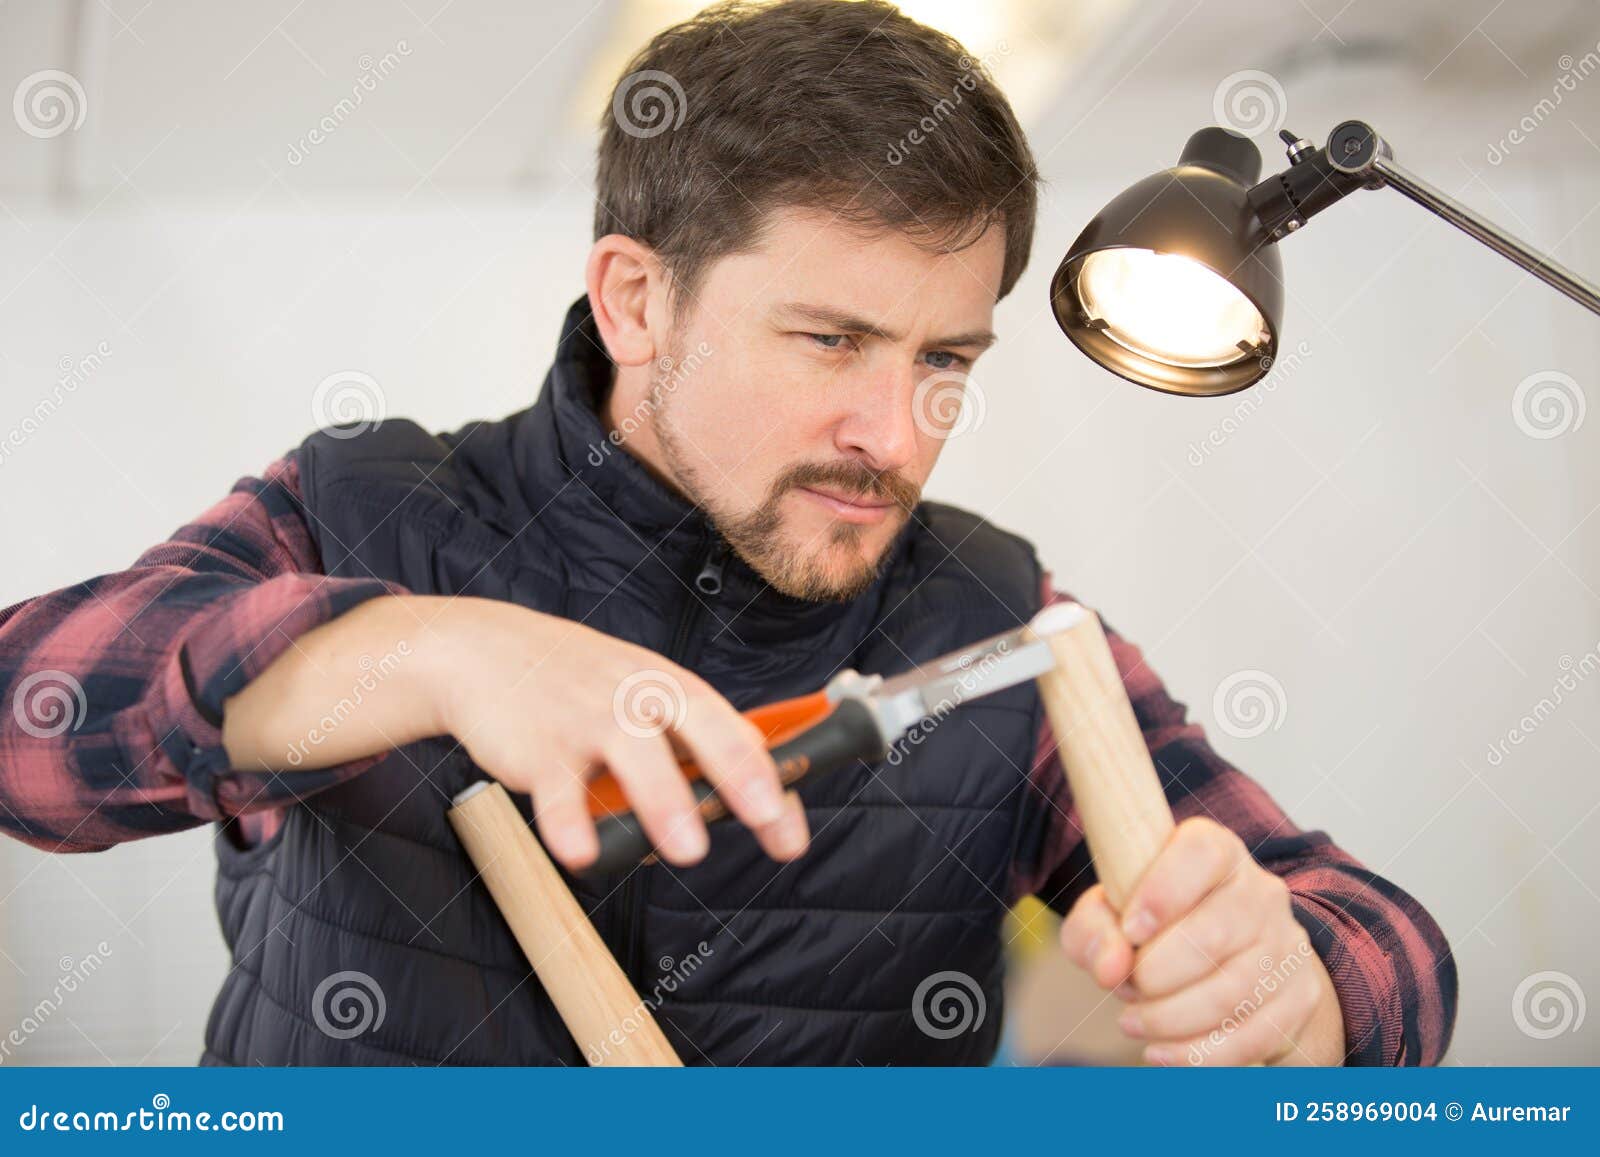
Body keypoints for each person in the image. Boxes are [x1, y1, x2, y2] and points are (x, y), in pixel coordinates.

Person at [0, 0, 1454, 1066]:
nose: (898, 433)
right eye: (831, 339)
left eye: (947, 360)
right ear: (637, 300)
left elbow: (1390, 941)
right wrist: (420, 651)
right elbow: (28, 725)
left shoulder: (993, 618)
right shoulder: (361, 512)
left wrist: (1300, 978)